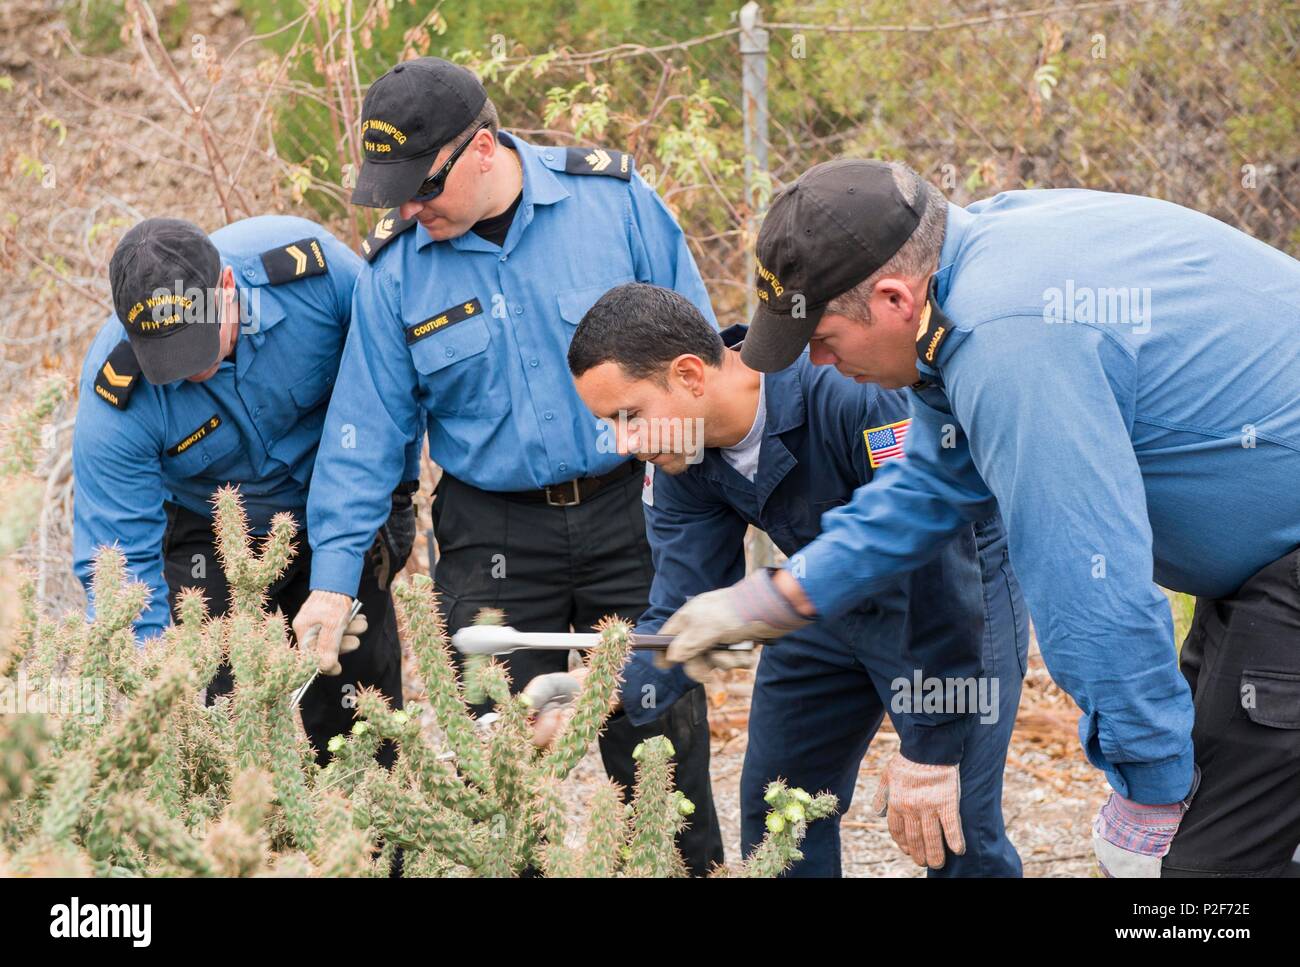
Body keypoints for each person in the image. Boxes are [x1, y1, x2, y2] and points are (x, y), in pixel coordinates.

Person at [661, 158, 1300, 877]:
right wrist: (779, 595)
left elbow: (1091, 584)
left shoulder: (1013, 336)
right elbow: (928, 488)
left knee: (1199, 879)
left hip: (1286, 568)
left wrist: (1151, 789)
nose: (818, 362)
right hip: (1259, 566)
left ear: (896, 298)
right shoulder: (966, 280)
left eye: (824, 341)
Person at [291, 57, 723, 872]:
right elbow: (364, 437)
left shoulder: (616, 204)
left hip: (628, 511)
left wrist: (702, 491)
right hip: (491, 530)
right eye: (397, 196)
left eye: (424, 188)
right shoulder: (396, 275)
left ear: (482, 148)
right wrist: (331, 578)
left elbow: (699, 358)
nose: (411, 210)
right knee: (498, 765)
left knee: (662, 753)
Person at [526, 281, 1028, 874]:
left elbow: (938, 563)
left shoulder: (851, 393)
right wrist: (595, 690)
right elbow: (680, 613)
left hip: (950, 595)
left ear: (689, 375)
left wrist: (934, 747)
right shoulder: (683, 455)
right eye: (609, 423)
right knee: (778, 813)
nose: (622, 442)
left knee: (951, 827)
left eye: (629, 416)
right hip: (811, 602)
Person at [73, 215, 411, 766]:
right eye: (171, 363)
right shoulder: (115, 400)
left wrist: (398, 491)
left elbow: (390, 377)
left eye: (201, 347)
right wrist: (158, 685)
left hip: (336, 506)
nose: (193, 372)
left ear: (227, 288)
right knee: (214, 726)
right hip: (208, 536)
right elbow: (118, 559)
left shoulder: (314, 277)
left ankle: (378, 848)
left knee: (360, 714)